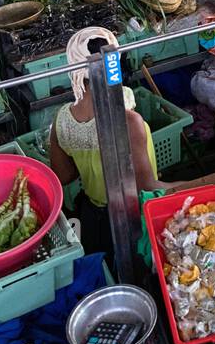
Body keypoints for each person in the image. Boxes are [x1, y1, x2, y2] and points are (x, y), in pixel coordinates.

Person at [49, 28, 160, 258]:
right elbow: (148, 187)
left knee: (106, 269)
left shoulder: (62, 119)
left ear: (74, 68)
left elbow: (63, 176)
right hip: (133, 219)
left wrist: (88, 160)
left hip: (93, 218)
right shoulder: (128, 120)